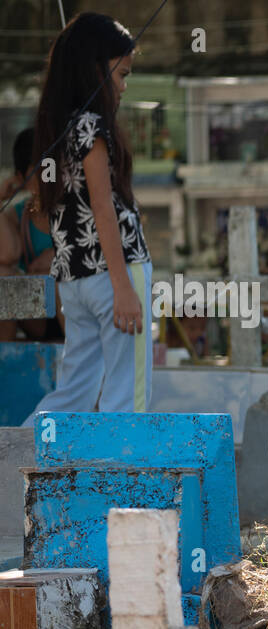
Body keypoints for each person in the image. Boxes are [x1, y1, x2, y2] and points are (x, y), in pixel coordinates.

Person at [23, 13, 152, 425]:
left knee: (71, 397)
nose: (124, 86)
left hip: (74, 281)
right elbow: (103, 208)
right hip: (115, 274)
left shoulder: (54, 128)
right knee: (127, 397)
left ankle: (11, 466)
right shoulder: (93, 126)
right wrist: (123, 288)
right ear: (97, 67)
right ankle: (121, 485)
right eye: (121, 74)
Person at [0, 128, 62, 343]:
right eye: (39, 169)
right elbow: (7, 255)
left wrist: (58, 256)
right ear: (21, 177)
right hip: (37, 317)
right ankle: (4, 365)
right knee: (3, 276)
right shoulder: (17, 216)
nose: (47, 175)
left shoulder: (74, 210)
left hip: (73, 311)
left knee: (58, 277)